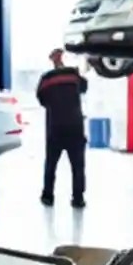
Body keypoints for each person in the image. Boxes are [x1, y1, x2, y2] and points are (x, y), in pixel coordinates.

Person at [37, 49, 89, 209]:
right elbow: (84, 87)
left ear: (52, 60)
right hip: (75, 126)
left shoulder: (46, 79)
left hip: (55, 127)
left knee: (51, 164)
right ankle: (78, 198)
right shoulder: (73, 74)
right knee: (78, 166)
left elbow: (41, 98)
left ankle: (48, 196)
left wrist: (55, 105)